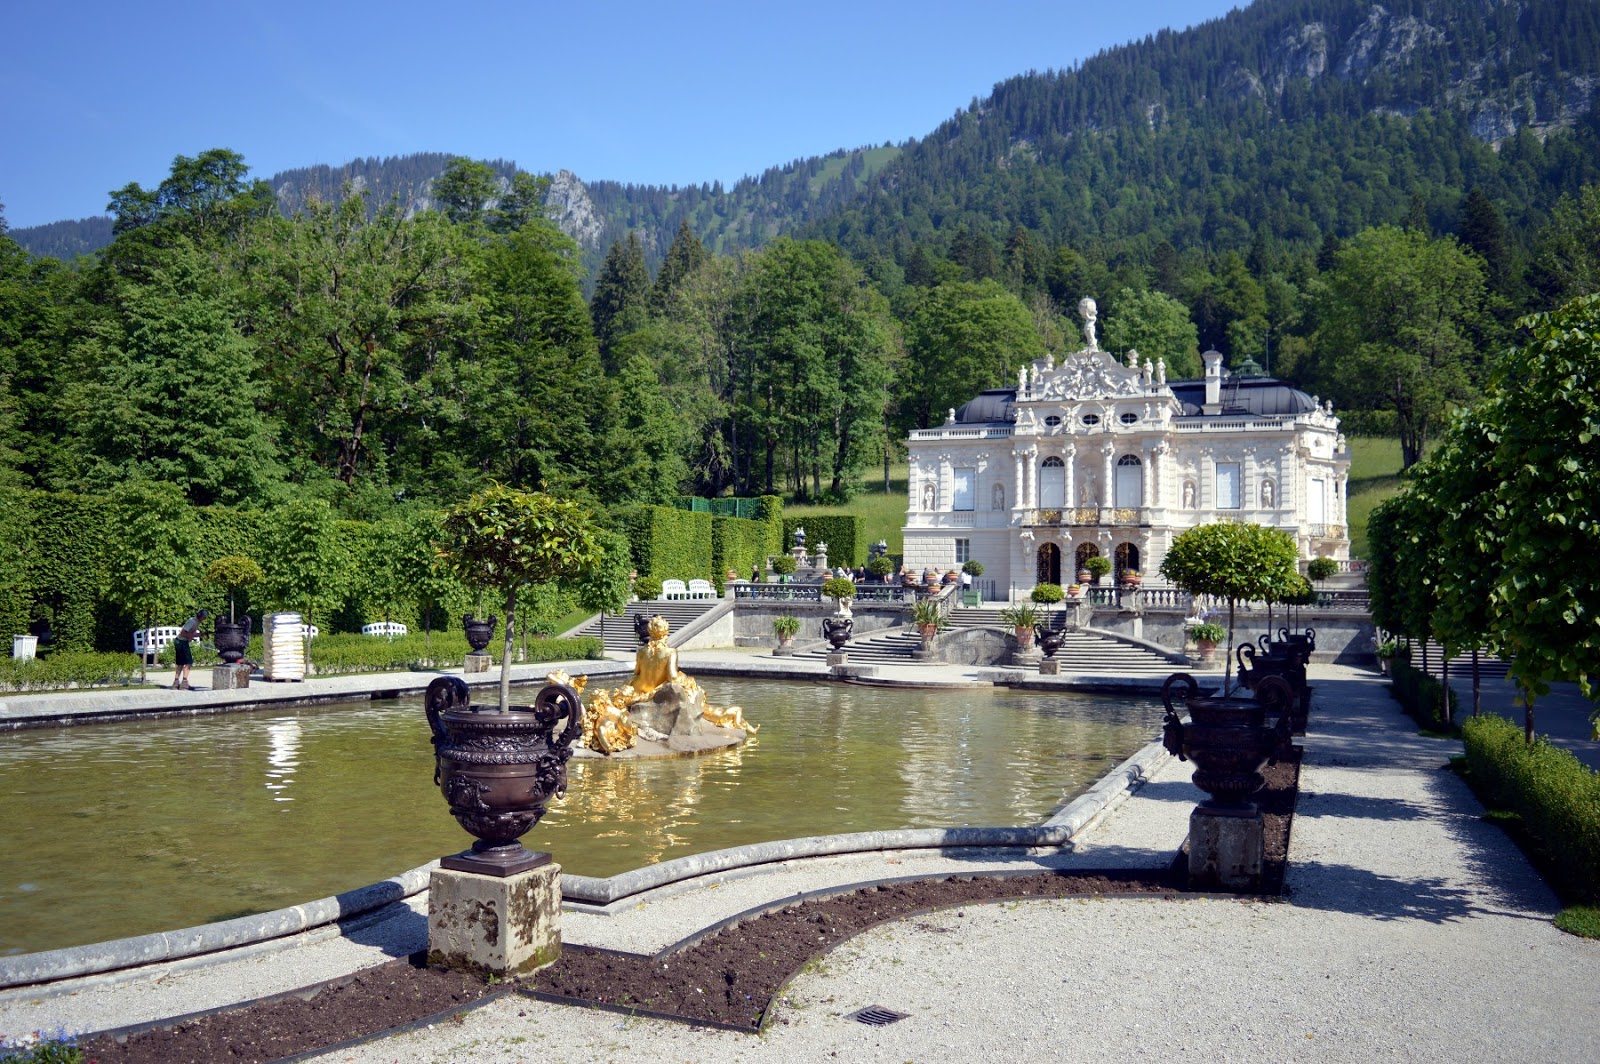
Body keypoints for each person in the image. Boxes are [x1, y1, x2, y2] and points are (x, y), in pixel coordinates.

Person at [174, 609, 209, 690]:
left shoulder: (195, 622)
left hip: (180, 641)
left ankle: (176, 683)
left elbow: (191, 633)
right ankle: (184, 683)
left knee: (181, 663)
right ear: (199, 616)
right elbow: (183, 633)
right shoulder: (192, 621)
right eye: (203, 617)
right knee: (189, 662)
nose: (204, 619)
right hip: (182, 642)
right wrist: (189, 637)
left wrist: (201, 634)